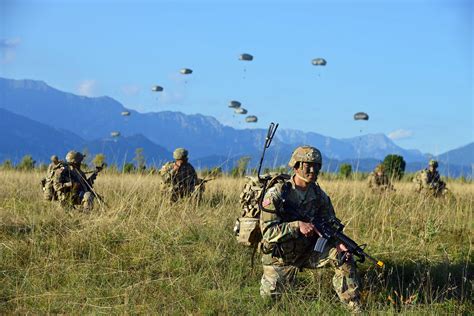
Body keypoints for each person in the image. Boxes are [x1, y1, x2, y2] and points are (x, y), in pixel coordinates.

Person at [259, 146, 362, 312]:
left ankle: (355, 308)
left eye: (317, 166)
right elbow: (268, 232)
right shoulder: (276, 194)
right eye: (308, 166)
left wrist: (338, 243)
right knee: (269, 305)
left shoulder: (319, 195)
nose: (313, 170)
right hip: (281, 257)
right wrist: (296, 226)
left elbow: (330, 225)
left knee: (344, 257)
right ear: (296, 166)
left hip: (309, 251)